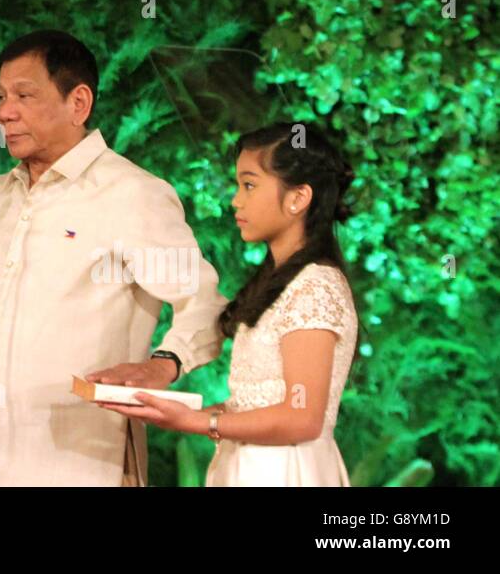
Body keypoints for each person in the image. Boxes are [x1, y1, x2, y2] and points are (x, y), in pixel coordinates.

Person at [0, 30, 228, 485]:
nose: (5, 112)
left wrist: (164, 362)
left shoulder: (130, 195)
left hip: (79, 467)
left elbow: (203, 299)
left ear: (78, 104)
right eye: (2, 96)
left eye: (25, 94)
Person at [94, 121, 358, 486]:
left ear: (297, 197)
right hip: (251, 465)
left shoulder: (316, 286)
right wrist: (177, 411)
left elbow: (302, 418)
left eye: (249, 185)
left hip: (284, 471)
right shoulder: (282, 282)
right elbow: (255, 406)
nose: (236, 200)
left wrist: (200, 422)